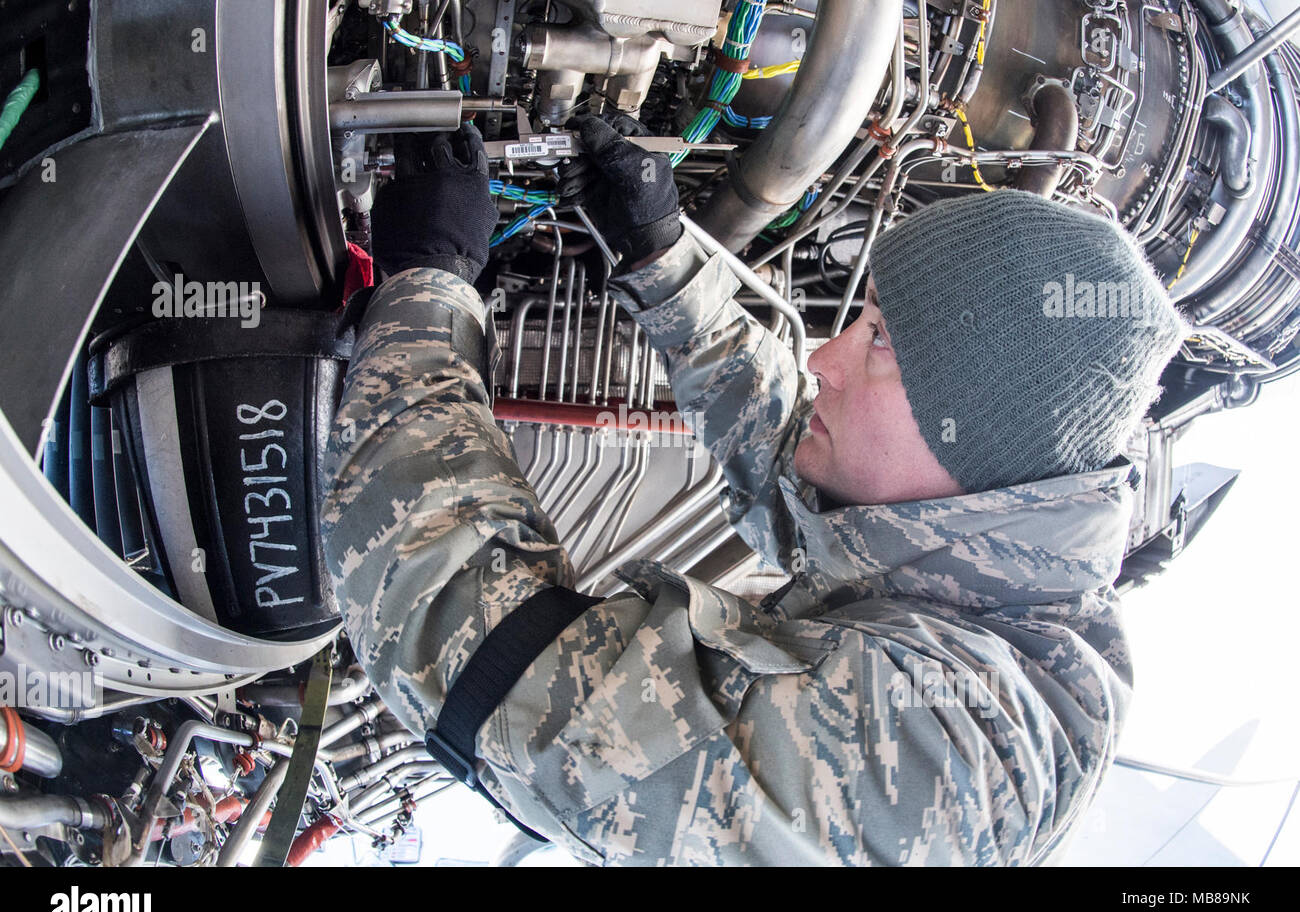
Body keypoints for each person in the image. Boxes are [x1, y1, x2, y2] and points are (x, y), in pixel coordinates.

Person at [319, 115, 1189, 865]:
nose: (823, 359)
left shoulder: (956, 760)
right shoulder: (964, 536)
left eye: (879, 340)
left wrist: (426, 286)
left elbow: (479, 661)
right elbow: (804, 479)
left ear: (977, 422)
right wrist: (666, 259)